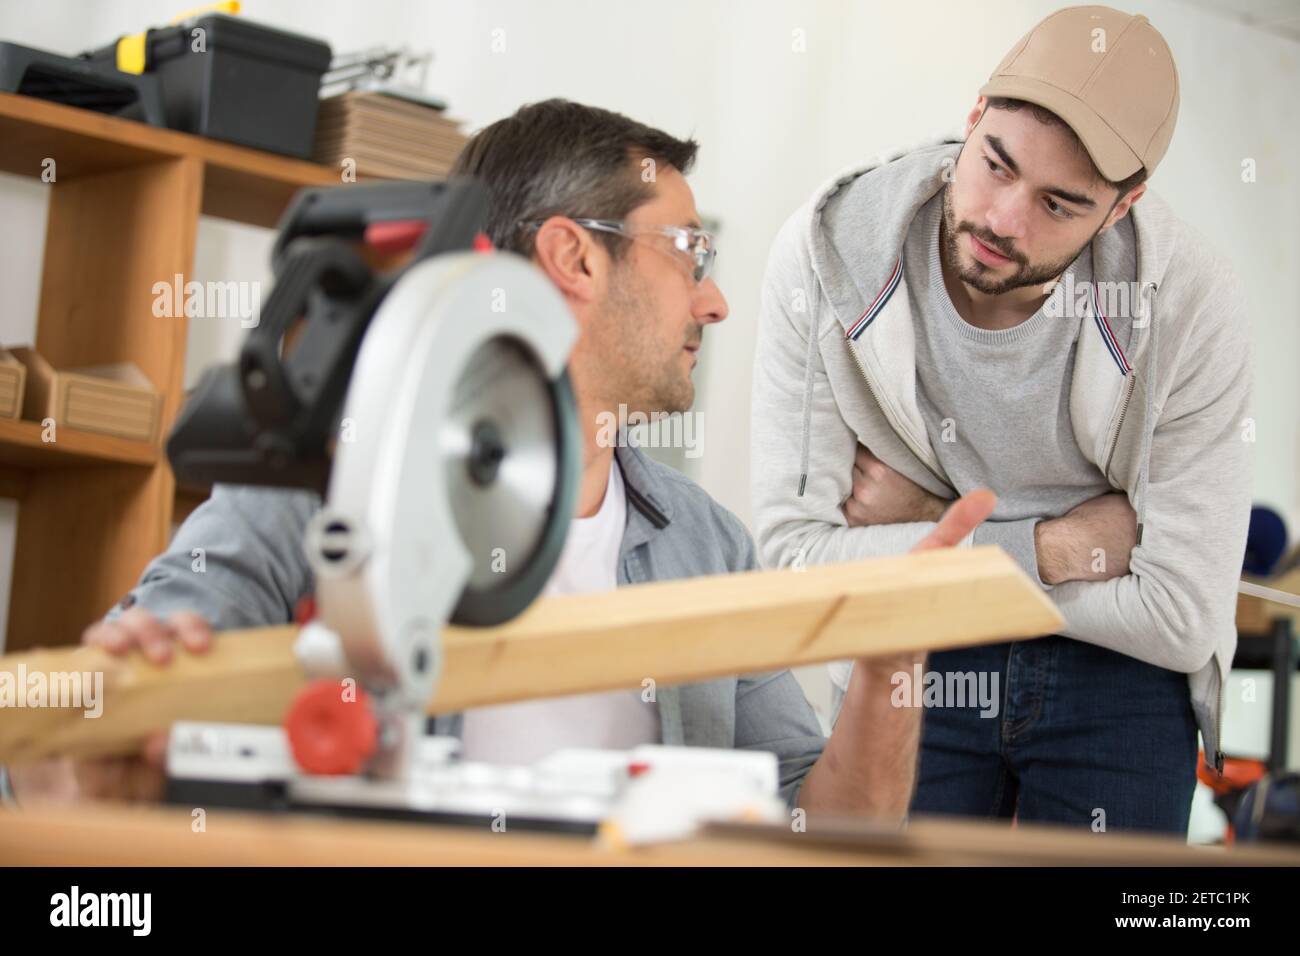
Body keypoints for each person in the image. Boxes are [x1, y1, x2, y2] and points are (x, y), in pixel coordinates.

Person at [9, 99, 992, 820]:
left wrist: (888, 664)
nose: (714, 299)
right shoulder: (326, 487)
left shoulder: (705, 541)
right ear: (573, 256)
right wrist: (94, 728)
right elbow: (98, 724)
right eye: (688, 250)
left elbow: (824, 829)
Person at [751, 6, 1251, 832]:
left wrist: (935, 533)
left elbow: (1180, 615)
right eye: (995, 165)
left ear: (1121, 209)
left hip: (1118, 671)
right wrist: (1054, 546)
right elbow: (796, 563)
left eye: (1060, 204)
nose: (1003, 220)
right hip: (924, 644)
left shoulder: (1192, 302)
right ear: (974, 114)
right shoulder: (828, 251)